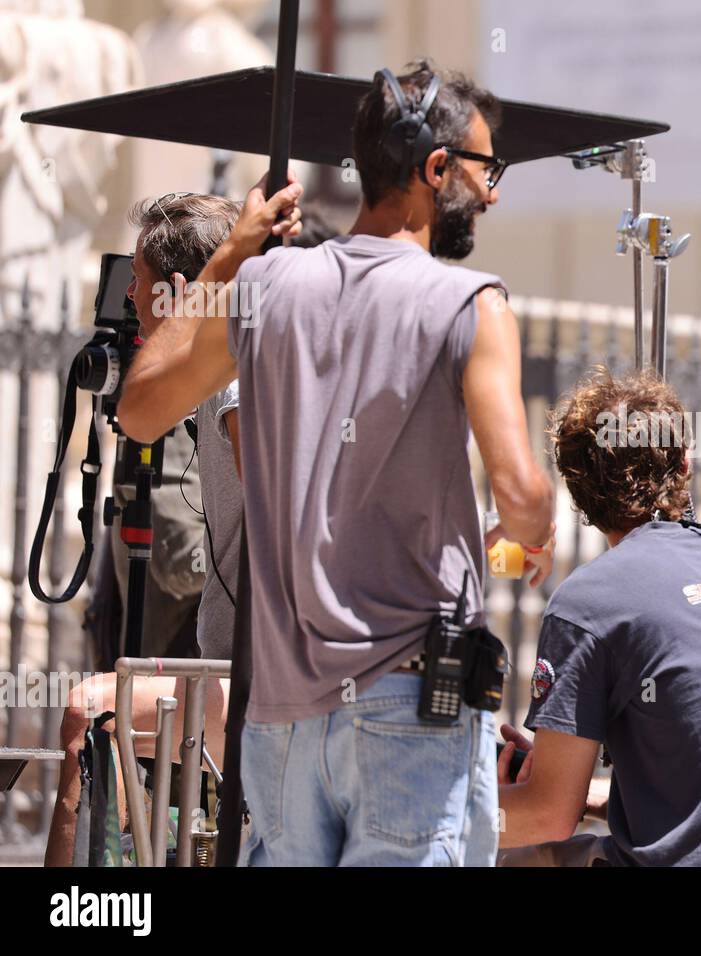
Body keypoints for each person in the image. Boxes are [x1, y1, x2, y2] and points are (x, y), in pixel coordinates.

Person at [117, 59, 554, 866]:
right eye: (486, 171)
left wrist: (229, 260)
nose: (492, 194)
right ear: (434, 169)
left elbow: (139, 406)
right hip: (412, 702)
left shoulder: (267, 285)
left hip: (279, 712)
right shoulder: (470, 302)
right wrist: (533, 528)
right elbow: (522, 492)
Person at [496, 369, 701, 866]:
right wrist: (586, 795)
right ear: (683, 463)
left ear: (577, 491)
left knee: (519, 854)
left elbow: (547, 815)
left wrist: (448, 809)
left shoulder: (589, 601)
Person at [45, 192, 244, 866]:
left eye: (138, 281)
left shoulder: (233, 375)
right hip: (239, 670)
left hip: (259, 680)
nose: (128, 298)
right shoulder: (220, 374)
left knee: (89, 713)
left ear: (182, 292)